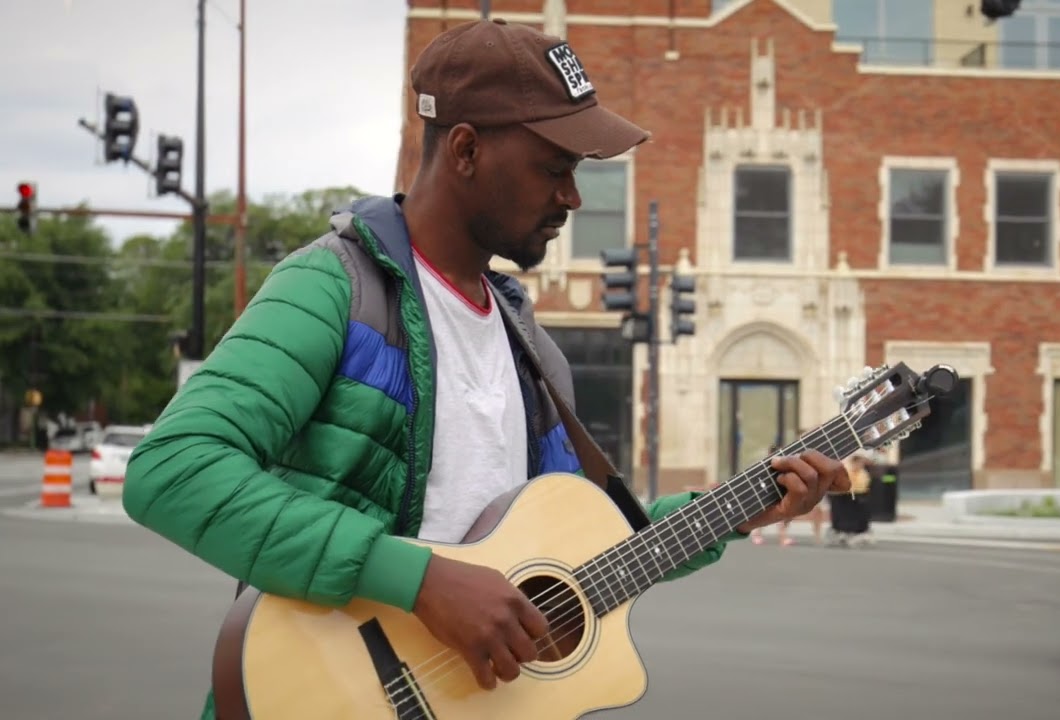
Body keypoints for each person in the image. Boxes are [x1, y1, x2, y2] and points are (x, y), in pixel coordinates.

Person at [121, 18, 846, 719]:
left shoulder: (533, 348)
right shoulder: (333, 289)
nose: (572, 197)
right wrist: (421, 581)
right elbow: (173, 469)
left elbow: (595, 547)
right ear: (465, 151)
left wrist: (743, 508)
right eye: (554, 168)